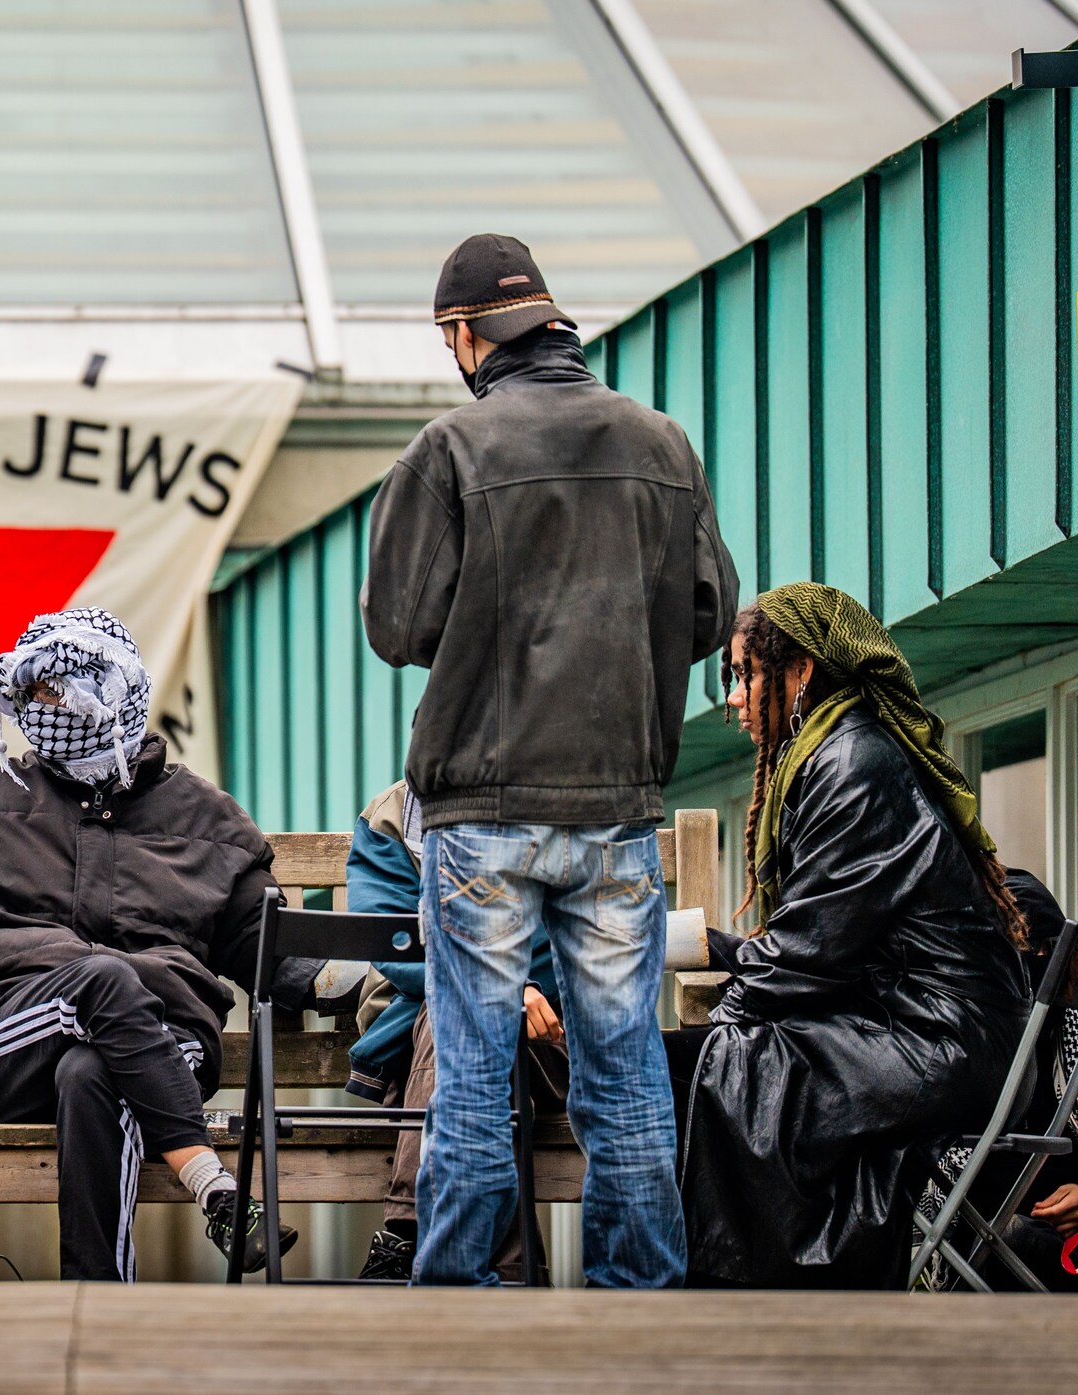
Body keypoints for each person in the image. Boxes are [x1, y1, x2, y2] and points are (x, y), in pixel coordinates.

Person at [360, 233, 736, 1287]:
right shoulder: (661, 445)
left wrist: (488, 626)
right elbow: (710, 611)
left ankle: (457, 1307)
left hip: (480, 809)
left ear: (462, 333)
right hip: (616, 807)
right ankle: (639, 1303)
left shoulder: (448, 449)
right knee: (622, 1075)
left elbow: (395, 625)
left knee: (473, 1077)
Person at [0, 608, 356, 1281]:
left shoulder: (209, 821)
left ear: (119, 694)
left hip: (165, 1045)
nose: (45, 708)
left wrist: (374, 976)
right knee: (101, 979)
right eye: (34, 692)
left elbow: (268, 947)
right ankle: (212, 1182)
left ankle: (96, 1300)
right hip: (10, 1041)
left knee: (92, 1072)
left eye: (61, 690)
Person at [665, 582, 1030, 1288]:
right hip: (926, 1029)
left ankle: (697, 1289)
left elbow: (809, 954)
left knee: (690, 1068)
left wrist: (723, 1033)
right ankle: (703, 1285)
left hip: (938, 1043)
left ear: (799, 672)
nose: (733, 699)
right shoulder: (842, 749)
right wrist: (727, 954)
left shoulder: (851, 761)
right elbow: (830, 936)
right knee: (696, 1064)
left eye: (743, 674)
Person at [342, 781, 568, 1283]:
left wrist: (496, 990)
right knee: (461, 1009)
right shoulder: (391, 816)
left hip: (544, 1043)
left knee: (464, 1015)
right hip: (421, 1041)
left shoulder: (552, 803)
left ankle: (404, 1229)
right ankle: (516, 1271)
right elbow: (391, 943)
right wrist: (498, 987)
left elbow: (565, 946)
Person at [920, 872, 1078, 1292]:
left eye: (1051, 948)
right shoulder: (947, 1045)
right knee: (1016, 1237)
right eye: (1024, 949)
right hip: (986, 1239)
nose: (1041, 961)